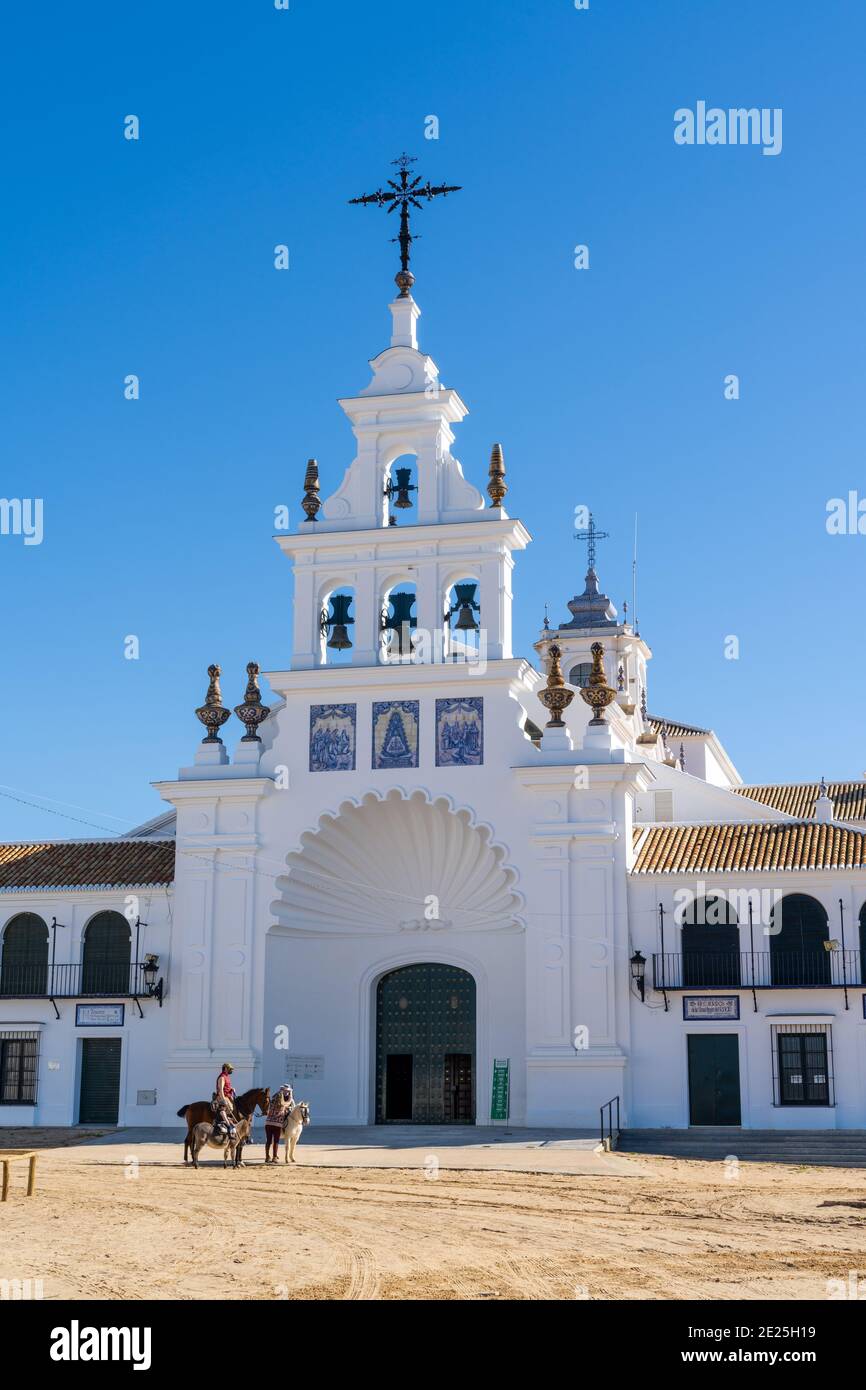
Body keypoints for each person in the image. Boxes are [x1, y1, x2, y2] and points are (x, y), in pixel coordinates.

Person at [264, 1084, 294, 1163]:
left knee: (269, 1141)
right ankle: (274, 1157)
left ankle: (267, 1157)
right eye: (286, 1091)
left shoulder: (275, 1096)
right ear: (283, 1090)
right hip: (277, 1123)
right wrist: (291, 1096)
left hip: (268, 1122)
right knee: (275, 1141)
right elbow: (285, 1104)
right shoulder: (280, 1096)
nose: (287, 1092)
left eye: (288, 1091)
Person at [212, 1062, 238, 1140]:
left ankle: (228, 1121)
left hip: (227, 1096)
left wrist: (231, 1089)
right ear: (226, 1068)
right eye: (230, 1069)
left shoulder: (227, 1077)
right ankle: (224, 1123)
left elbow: (226, 1088)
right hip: (221, 1097)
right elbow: (220, 1089)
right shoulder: (222, 1077)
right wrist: (223, 1099)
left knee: (232, 1108)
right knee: (225, 1108)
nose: (231, 1071)